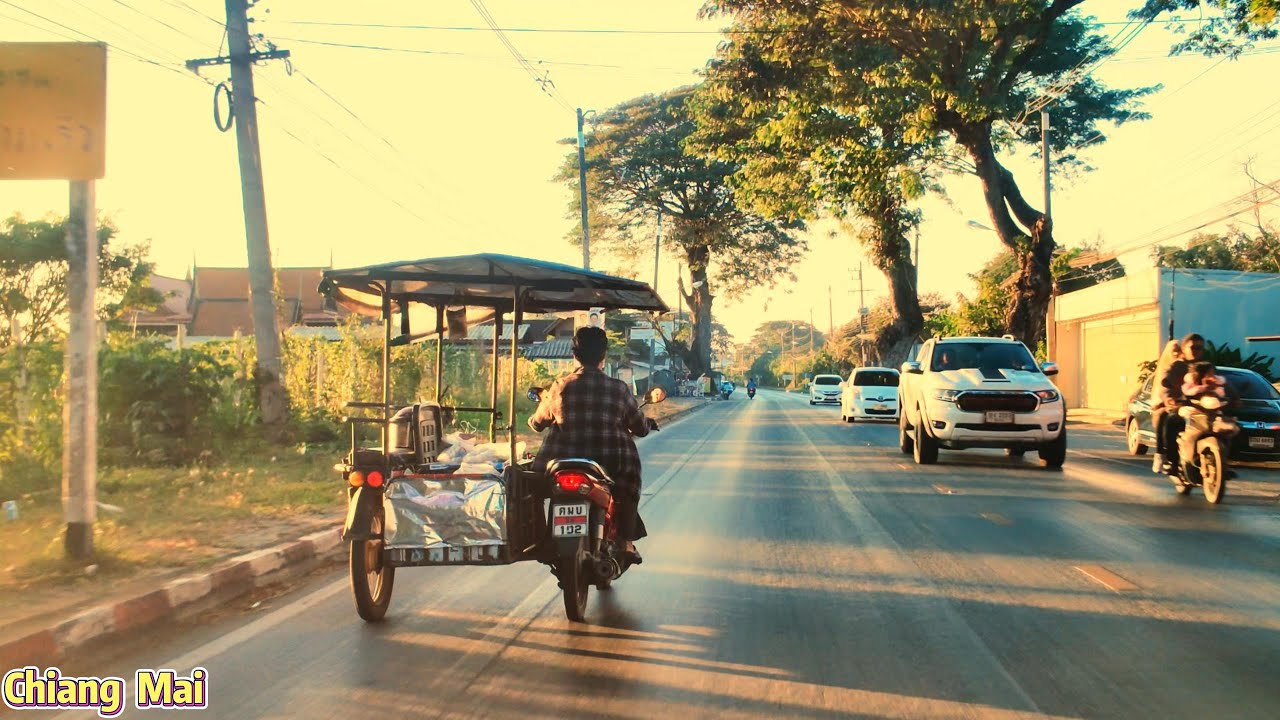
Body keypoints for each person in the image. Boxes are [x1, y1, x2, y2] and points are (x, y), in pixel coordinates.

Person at [529, 326, 656, 561]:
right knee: (628, 489)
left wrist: (535, 420)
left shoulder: (559, 386)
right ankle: (626, 542)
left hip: (563, 462)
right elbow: (639, 426)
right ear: (603, 356)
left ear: (574, 355)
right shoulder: (618, 389)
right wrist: (648, 424)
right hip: (612, 464)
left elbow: (538, 423)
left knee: (533, 488)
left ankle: (541, 537)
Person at [1155, 332, 1205, 475]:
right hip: (1183, 407)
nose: (1196, 351)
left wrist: (1233, 397)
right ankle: (1172, 461)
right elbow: (1165, 384)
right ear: (1184, 349)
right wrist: (1169, 398)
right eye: (1193, 347)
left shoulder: (1206, 367)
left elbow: (1220, 382)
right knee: (1171, 420)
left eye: (1200, 348)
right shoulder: (1178, 366)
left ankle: (1223, 461)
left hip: (1204, 409)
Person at [1150, 339, 1182, 473]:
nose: (1175, 353)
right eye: (1173, 350)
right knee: (1163, 416)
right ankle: (1161, 454)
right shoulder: (1167, 369)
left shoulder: (1185, 366)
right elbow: (1162, 389)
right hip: (1169, 404)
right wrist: (1168, 401)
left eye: (1178, 350)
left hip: (1188, 404)